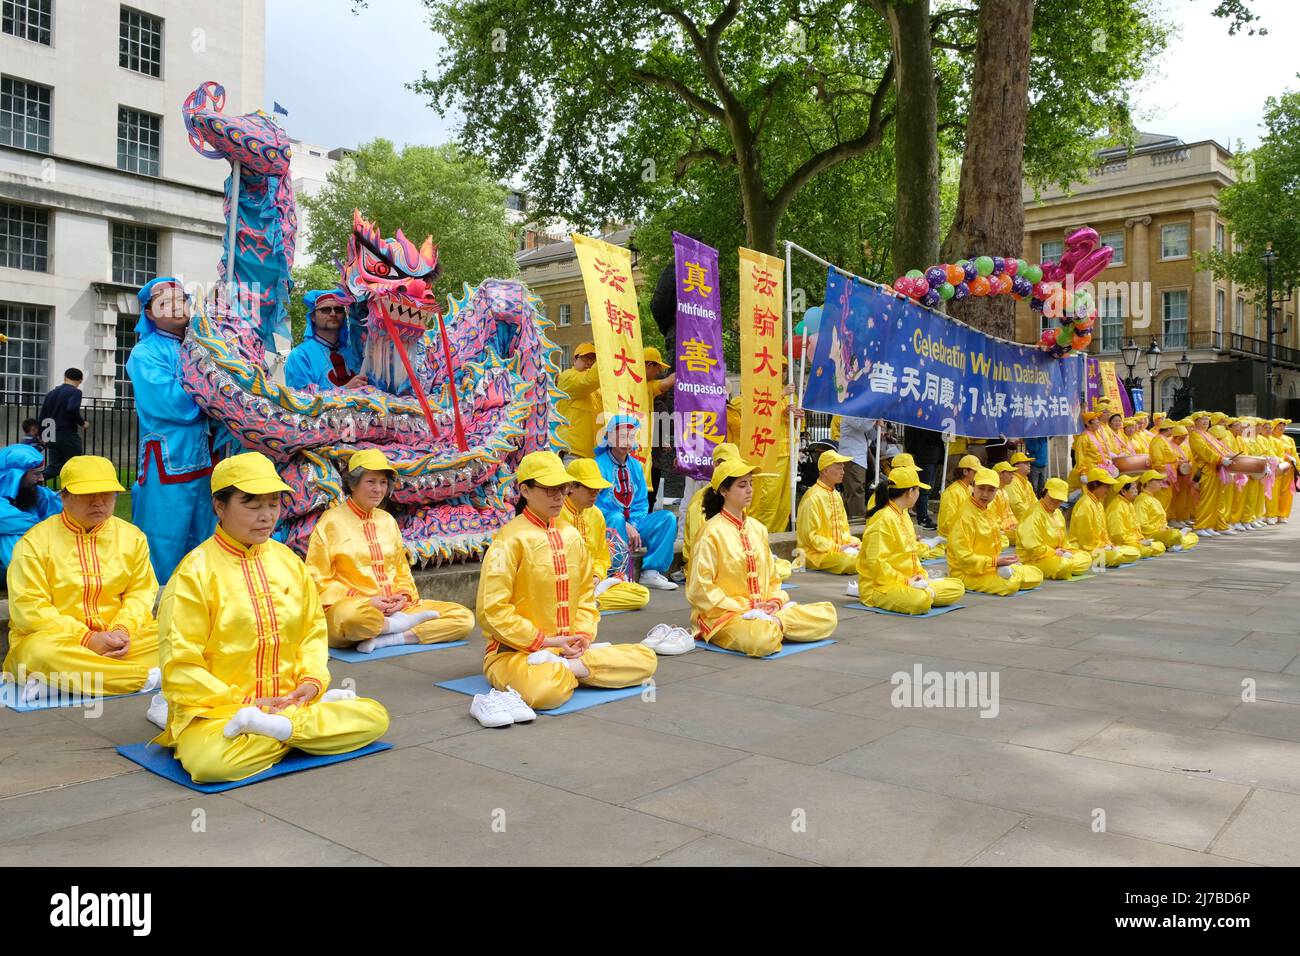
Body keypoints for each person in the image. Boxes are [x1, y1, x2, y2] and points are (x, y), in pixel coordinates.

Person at [153, 452, 390, 784]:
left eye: (273, 505)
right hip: (222, 712)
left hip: (292, 702)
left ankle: (278, 730)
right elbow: (181, 666)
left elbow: (311, 631)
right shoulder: (194, 573)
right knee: (210, 764)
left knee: (375, 717)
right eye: (252, 505)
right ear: (220, 507)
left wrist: (310, 682)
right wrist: (246, 702)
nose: (266, 517)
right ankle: (302, 733)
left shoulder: (289, 563)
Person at [476, 451, 657, 713]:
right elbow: (492, 610)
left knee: (646, 660)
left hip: (568, 650)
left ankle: (566, 668)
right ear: (525, 491)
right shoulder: (509, 540)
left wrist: (582, 637)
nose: (559, 496)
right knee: (544, 691)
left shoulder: (570, 536)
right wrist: (544, 642)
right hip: (515, 652)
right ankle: (577, 670)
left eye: (562, 488)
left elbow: (585, 596)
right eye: (550, 489)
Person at [4, 456, 160, 705]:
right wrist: (87, 638)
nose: (99, 502)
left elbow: (141, 592)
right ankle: (145, 678)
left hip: (121, 641)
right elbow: (29, 608)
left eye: (107, 494)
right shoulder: (34, 543)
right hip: (62, 643)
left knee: (173, 635)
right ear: (63, 496)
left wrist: (121, 630)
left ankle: (91, 680)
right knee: (39, 652)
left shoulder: (132, 537)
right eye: (88, 494)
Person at [304, 449, 475, 653]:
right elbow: (317, 580)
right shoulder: (330, 522)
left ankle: (392, 637)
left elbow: (401, 571)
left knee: (463, 618)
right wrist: (366, 601)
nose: (378, 489)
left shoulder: (387, 520)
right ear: (352, 483)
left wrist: (402, 597)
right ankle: (395, 626)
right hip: (356, 610)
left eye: (383, 483)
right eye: (371, 482)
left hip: (397, 610)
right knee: (351, 619)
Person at [688, 457, 837, 657]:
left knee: (828, 615)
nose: (749, 489)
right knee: (762, 640)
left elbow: (773, 578)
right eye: (742, 485)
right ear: (723, 491)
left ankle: (776, 623)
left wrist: (774, 602)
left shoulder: (758, 529)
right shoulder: (710, 532)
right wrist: (746, 606)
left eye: (750, 483)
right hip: (726, 615)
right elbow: (700, 589)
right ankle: (777, 626)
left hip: (766, 610)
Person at [126, 277, 219, 583]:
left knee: (205, 539)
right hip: (166, 463)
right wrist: (216, 399)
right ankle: (157, 611)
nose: (177, 306)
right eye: (165, 302)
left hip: (204, 461)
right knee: (163, 542)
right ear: (149, 313)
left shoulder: (202, 348)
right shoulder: (145, 353)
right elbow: (167, 402)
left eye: (182, 299)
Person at [856, 466, 964, 614]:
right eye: (918, 490)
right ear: (910, 492)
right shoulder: (883, 519)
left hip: (910, 581)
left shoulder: (903, 515)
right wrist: (907, 582)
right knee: (920, 601)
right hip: (881, 586)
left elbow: (912, 555)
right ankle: (926, 595)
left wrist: (921, 575)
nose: (919, 494)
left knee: (957, 586)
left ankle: (926, 593)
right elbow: (877, 565)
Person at [593, 414, 678, 590]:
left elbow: (640, 502)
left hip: (634, 524)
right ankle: (617, 573)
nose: (626, 441)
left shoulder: (636, 466)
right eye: (622, 436)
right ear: (609, 437)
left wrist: (633, 524)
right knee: (616, 517)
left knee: (667, 518)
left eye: (631, 437)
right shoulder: (597, 465)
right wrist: (625, 525)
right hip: (608, 525)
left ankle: (651, 571)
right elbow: (596, 506)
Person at [559, 458, 649, 613]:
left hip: (592, 583)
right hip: (565, 582)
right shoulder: (557, 513)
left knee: (641, 594)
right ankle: (582, 603)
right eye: (591, 489)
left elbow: (602, 557)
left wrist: (597, 576)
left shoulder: (596, 514)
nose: (595, 494)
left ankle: (586, 604)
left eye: (598, 490)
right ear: (571, 487)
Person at [945, 468, 1043, 596]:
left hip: (991, 567)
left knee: (1037, 573)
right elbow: (964, 558)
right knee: (1010, 585)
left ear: (997, 491)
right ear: (973, 486)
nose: (985, 494)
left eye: (991, 490)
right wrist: (996, 562)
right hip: (967, 573)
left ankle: (1013, 573)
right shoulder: (964, 516)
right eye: (981, 488)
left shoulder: (988, 509)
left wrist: (1003, 562)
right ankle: (1012, 575)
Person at [284, 290, 365, 391]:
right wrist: (344, 390)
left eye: (339, 309)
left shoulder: (355, 350)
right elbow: (300, 400)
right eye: (325, 310)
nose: (333, 313)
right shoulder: (299, 356)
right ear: (312, 317)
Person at [0, 443, 61, 574]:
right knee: (10, 533)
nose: (42, 479)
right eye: (36, 474)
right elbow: (7, 521)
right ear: (16, 476)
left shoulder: (35, 493)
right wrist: (48, 527)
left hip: (32, 559)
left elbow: (63, 510)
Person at [1015, 477, 1091, 580]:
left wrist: (1065, 551)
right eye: (1052, 498)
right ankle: (1066, 566)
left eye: (1059, 500)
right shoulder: (1034, 514)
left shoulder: (1058, 513)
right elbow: (1033, 548)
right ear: (1044, 493)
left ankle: (1068, 565)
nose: (1055, 502)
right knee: (1064, 565)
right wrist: (1054, 552)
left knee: (1085, 557)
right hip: (1035, 559)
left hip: (1057, 555)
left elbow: (1064, 542)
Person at [796, 450, 858, 574]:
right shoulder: (812, 497)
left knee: (868, 552)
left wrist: (852, 543)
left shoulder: (836, 495)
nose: (843, 472)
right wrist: (838, 547)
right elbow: (810, 537)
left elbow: (844, 530)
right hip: (815, 554)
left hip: (838, 550)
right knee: (850, 562)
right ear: (825, 471)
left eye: (843, 468)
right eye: (839, 468)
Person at [1069, 466, 1141, 568]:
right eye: (1106, 486)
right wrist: (1104, 547)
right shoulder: (1085, 504)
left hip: (1101, 547)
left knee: (1134, 552)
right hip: (1087, 549)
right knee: (1117, 555)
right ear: (1095, 485)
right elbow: (1086, 538)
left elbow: (1104, 531)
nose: (1108, 490)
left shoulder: (1098, 504)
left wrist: (1108, 544)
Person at [643, 346, 681, 510]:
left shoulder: (648, 391)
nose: (659, 372)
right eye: (658, 368)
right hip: (648, 460)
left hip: (649, 457)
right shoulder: (646, 390)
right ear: (648, 365)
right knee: (646, 501)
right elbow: (666, 383)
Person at [1188, 411, 1235, 537]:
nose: (1205, 422)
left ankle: (1216, 524)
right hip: (1205, 470)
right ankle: (1201, 525)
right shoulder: (1195, 435)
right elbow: (1204, 451)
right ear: (1196, 422)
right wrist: (1220, 459)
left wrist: (1228, 455)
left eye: (1207, 419)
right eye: (1202, 419)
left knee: (1217, 500)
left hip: (1215, 469)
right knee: (1207, 499)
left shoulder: (1207, 434)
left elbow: (1218, 448)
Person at [38, 368, 88, 481]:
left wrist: (42, 435)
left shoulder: (51, 394)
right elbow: (72, 409)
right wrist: (82, 422)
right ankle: (76, 491)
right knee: (76, 463)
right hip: (67, 434)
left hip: (51, 434)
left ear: (65, 377)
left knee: (55, 466)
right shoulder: (75, 392)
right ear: (80, 380)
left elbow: (43, 415)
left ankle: (35, 480)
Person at [1134, 470, 1198, 552]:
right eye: (1157, 481)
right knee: (1175, 534)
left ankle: (1176, 544)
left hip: (1162, 533)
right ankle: (1177, 543)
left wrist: (1166, 528)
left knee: (1193, 536)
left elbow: (1162, 521)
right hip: (1150, 535)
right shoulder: (1141, 500)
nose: (1161, 483)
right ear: (1148, 482)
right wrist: (1160, 530)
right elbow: (1142, 525)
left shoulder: (1153, 499)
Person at [556, 343, 600, 458]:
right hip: (572, 453)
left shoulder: (596, 389)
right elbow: (590, 379)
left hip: (593, 454)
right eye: (586, 358)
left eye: (593, 359)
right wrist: (603, 358)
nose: (590, 362)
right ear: (574, 360)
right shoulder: (567, 377)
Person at [1106, 475, 1164, 558]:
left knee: (1160, 546)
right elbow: (1118, 535)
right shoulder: (1117, 507)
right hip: (1123, 543)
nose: (1136, 491)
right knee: (1145, 550)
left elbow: (1136, 527)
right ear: (1123, 491)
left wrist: (1141, 539)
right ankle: (1118, 551)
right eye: (1133, 489)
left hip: (1134, 541)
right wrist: (1137, 542)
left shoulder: (1129, 504)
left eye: (1136, 488)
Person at [903, 426, 943, 529]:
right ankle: (923, 517)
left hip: (931, 455)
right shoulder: (925, 421)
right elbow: (929, 435)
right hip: (926, 455)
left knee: (927, 487)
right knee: (924, 488)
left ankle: (922, 513)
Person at [838, 415, 874, 521]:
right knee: (856, 488)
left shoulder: (862, 417)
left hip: (859, 457)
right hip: (851, 457)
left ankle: (851, 517)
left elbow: (872, 435)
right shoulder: (849, 413)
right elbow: (863, 426)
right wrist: (874, 418)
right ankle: (856, 519)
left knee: (857, 487)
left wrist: (876, 424)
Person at [937, 454, 981, 539]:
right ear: (965, 471)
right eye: (975, 472)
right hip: (952, 538)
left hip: (966, 534)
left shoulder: (971, 489)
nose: (978, 475)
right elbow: (947, 523)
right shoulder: (952, 492)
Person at [1070, 410, 1113, 489]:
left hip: (1100, 469)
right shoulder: (1084, 438)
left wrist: (1107, 459)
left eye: (1097, 420)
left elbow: (1103, 450)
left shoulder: (1098, 434)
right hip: (1090, 471)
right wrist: (1083, 473)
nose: (1098, 422)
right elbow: (1080, 457)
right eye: (1095, 421)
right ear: (1088, 424)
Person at [1266, 418, 1296, 523]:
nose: (1282, 427)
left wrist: (1297, 464)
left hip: (1288, 469)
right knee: (1272, 492)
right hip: (1275, 469)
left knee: (1286, 493)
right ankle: (1270, 514)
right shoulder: (1269, 439)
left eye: (1283, 425)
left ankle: (1282, 515)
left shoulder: (1289, 439)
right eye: (1279, 425)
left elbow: (1294, 454)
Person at [991, 462, 1020, 547]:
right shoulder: (993, 493)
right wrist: (1009, 528)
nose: (1012, 476)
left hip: (1006, 529)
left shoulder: (1004, 492)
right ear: (1000, 474)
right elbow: (993, 519)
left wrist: (1015, 525)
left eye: (1012, 473)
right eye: (1009, 473)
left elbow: (1009, 514)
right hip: (999, 531)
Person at [1004, 451, 1037, 522]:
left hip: (1029, 519)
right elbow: (1016, 506)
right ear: (1016, 466)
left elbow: (1035, 502)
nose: (1029, 465)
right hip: (1018, 522)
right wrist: (1033, 517)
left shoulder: (1028, 483)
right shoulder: (1011, 482)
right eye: (1025, 463)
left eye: (1029, 462)